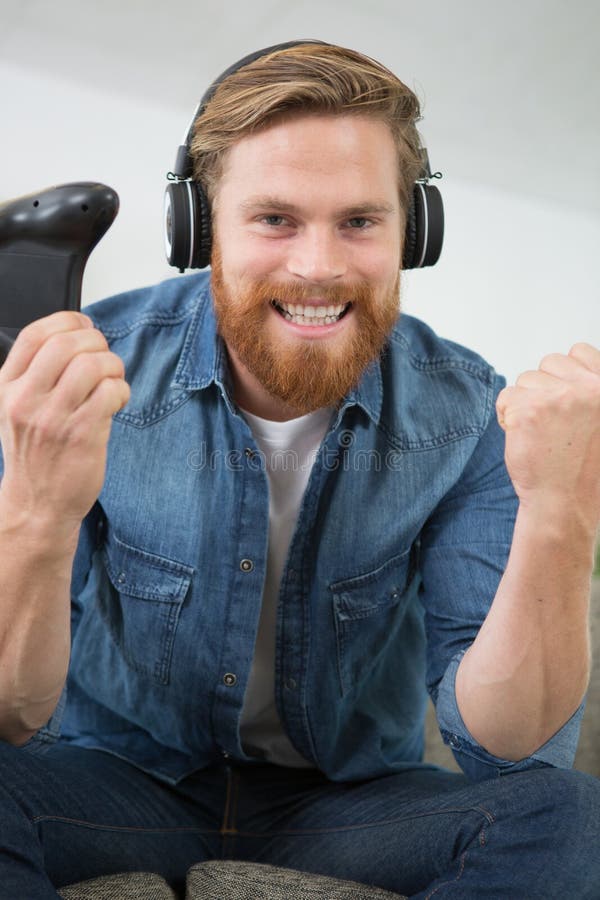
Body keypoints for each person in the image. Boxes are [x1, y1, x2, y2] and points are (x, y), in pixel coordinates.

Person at [0, 40, 598, 900]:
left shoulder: (470, 415)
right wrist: (38, 512)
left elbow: (503, 747)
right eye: (274, 219)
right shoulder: (83, 379)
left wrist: (562, 513)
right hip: (119, 786)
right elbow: (14, 716)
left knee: (572, 818)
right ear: (199, 229)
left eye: (359, 221)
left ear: (413, 233)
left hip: (345, 807)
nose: (318, 266)